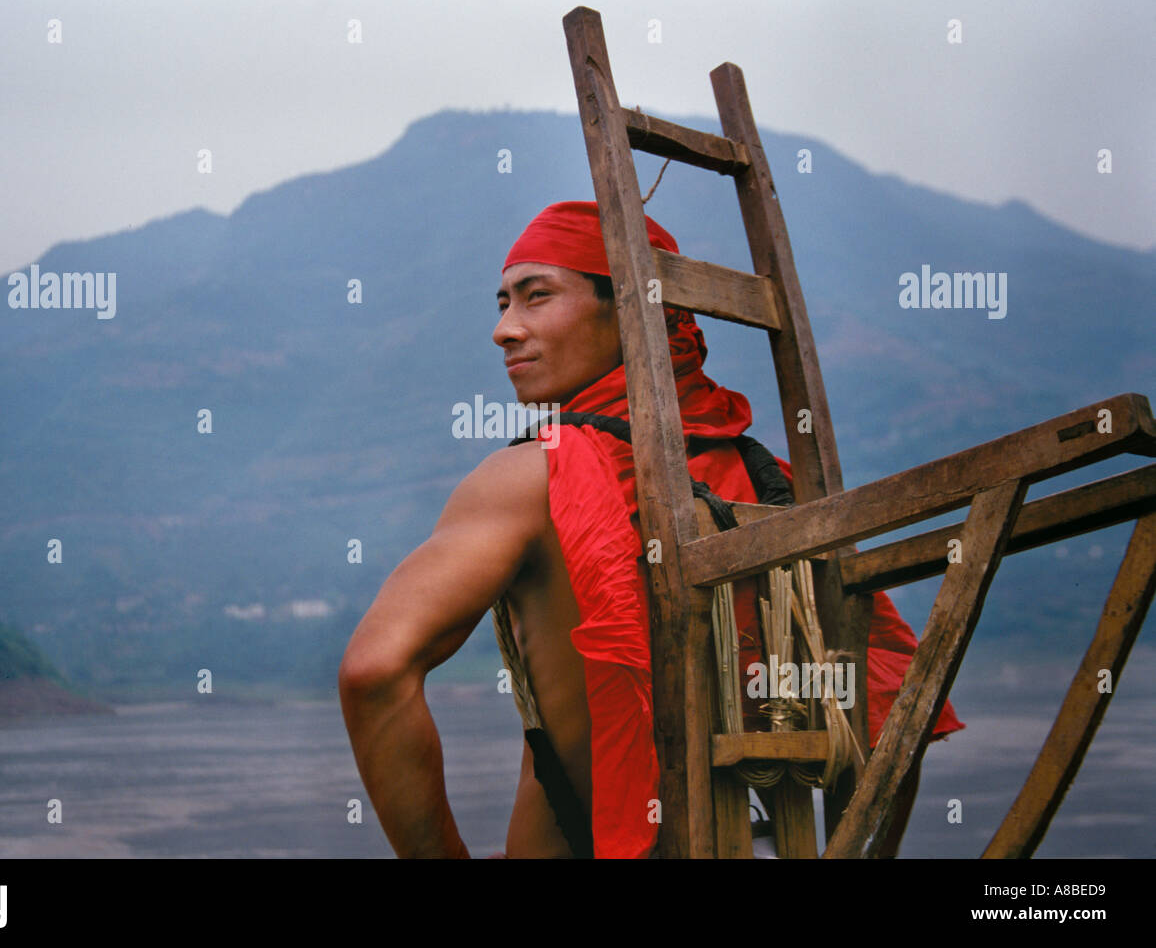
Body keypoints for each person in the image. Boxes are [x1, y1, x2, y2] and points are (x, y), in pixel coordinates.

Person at [338, 201, 962, 858]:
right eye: (502, 304)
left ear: (631, 311)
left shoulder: (527, 479)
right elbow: (894, 700)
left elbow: (373, 670)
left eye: (536, 297)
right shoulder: (772, 483)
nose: (503, 329)